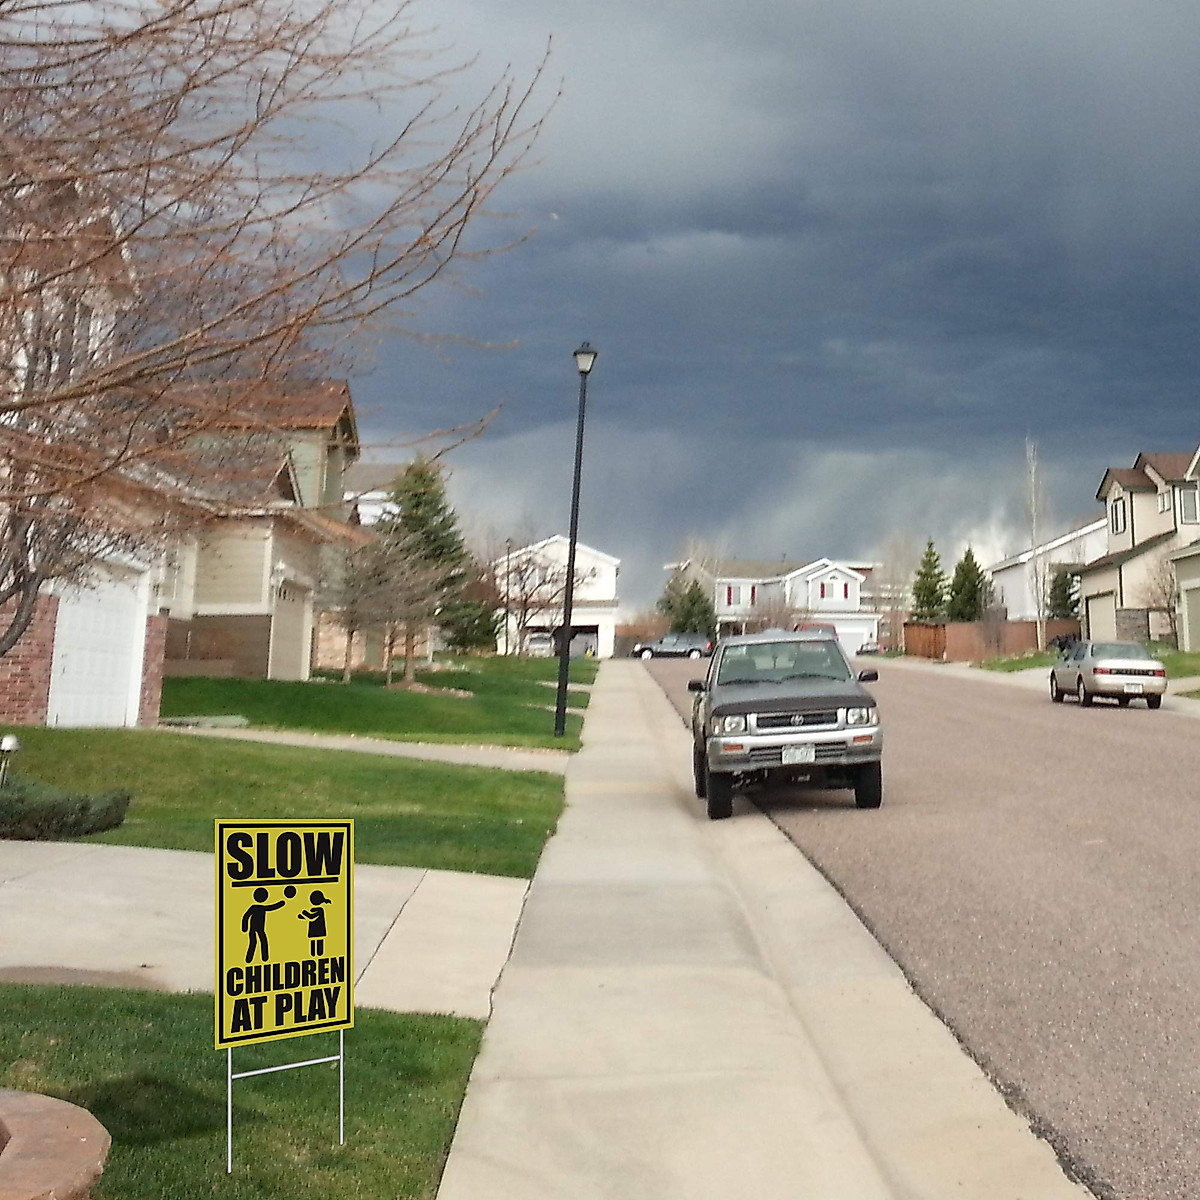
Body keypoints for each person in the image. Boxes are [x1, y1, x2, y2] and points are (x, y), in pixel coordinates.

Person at [241, 887, 285, 963]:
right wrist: (244, 927)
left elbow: (272, 907)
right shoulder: (254, 907)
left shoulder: (261, 908)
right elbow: (246, 916)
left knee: (263, 941)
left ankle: (264, 958)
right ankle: (249, 959)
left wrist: (281, 903)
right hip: (253, 929)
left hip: (260, 929)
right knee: (253, 943)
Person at [298, 890, 332, 956]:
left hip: (319, 930)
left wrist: (304, 912)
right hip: (313, 930)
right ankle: (313, 955)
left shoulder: (320, 910)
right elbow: (309, 917)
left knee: (319, 945)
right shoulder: (312, 909)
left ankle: (319, 954)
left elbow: (312, 917)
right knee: (313, 945)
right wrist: (302, 917)